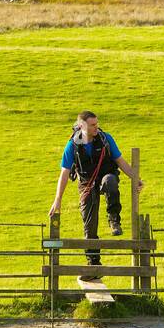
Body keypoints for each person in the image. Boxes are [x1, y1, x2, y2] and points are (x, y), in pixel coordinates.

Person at [50, 111, 143, 266]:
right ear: (81, 126)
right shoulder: (72, 145)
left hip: (106, 175)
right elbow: (64, 174)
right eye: (93, 125)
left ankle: (114, 220)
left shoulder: (106, 139)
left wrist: (136, 179)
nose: (96, 127)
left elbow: (121, 161)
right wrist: (57, 200)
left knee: (110, 181)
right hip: (86, 183)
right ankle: (93, 264)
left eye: (97, 123)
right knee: (89, 223)